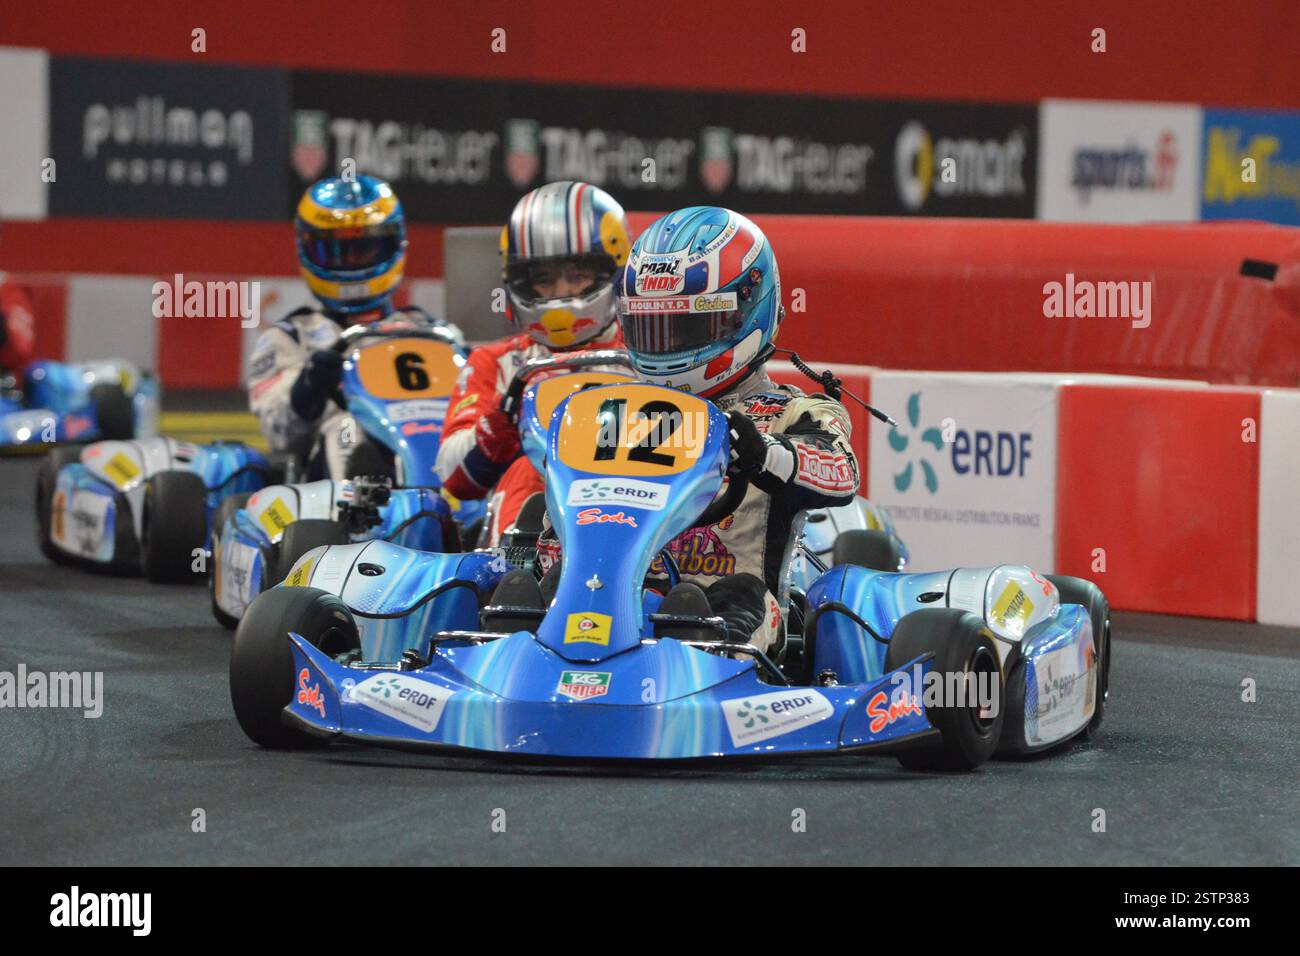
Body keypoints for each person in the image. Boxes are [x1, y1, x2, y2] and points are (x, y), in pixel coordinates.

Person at [547, 206, 860, 656]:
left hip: (723, 606)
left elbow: (842, 472)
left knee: (714, 603)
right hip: (609, 595)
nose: (668, 345)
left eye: (686, 326)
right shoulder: (611, 412)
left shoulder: (792, 411)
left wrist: (765, 454)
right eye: (654, 327)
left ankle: (697, 680)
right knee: (536, 585)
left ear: (748, 312)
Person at [435, 180, 632, 544]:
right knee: (529, 470)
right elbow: (454, 478)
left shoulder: (646, 358)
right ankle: (517, 583)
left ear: (613, 269)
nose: (560, 292)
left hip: (634, 499)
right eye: (543, 279)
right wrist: (501, 422)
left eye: (577, 275)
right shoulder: (495, 363)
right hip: (523, 521)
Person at [247, 174, 456, 478]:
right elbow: (279, 436)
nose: (353, 262)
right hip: (327, 489)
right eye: (339, 251)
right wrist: (309, 387)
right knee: (346, 428)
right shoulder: (291, 338)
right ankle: (358, 517)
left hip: (424, 450)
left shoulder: (431, 332)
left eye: (365, 249)